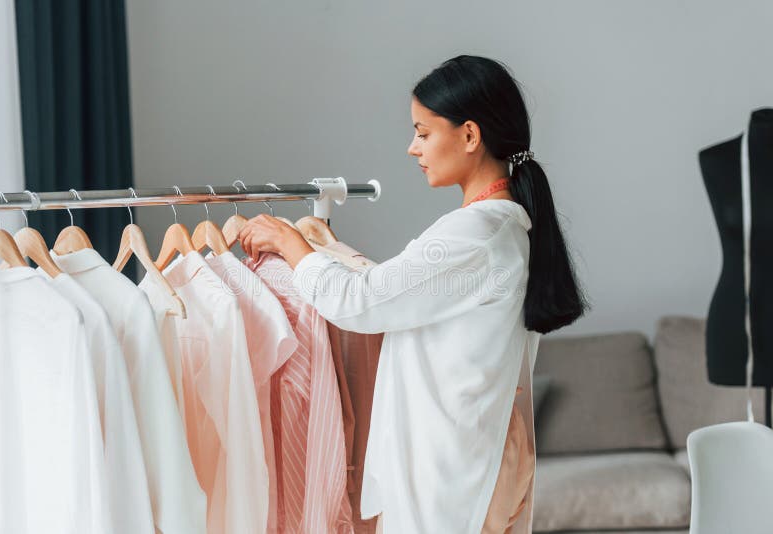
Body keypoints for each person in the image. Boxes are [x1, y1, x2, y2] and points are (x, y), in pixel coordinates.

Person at [238, 54, 588, 534]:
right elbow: (405, 294)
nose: (412, 148)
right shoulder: (497, 229)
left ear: (469, 135)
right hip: (471, 456)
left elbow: (359, 302)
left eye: (424, 133)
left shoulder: (475, 233)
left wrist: (290, 243)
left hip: (452, 470)